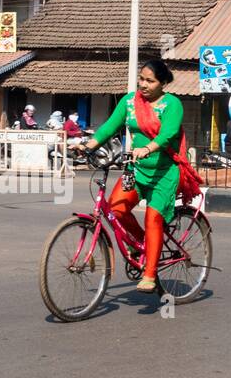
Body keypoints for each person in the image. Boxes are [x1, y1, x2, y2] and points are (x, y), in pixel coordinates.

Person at [76, 60, 199, 295]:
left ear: (162, 83)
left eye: (150, 81)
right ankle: (144, 244)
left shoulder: (172, 104)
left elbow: (168, 133)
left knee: (153, 218)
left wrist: (149, 148)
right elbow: (110, 126)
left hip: (164, 172)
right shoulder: (130, 102)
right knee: (117, 209)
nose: (143, 84)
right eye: (141, 79)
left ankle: (150, 274)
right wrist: (88, 146)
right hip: (136, 169)